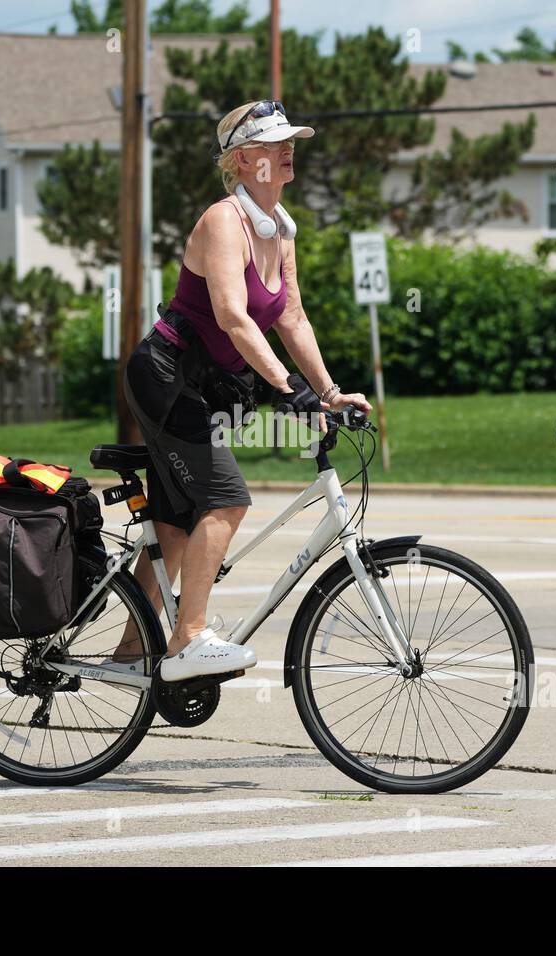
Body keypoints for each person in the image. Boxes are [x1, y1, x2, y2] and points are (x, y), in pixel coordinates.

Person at [116, 100, 372, 682]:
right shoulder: (221, 221)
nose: (289, 150)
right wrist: (286, 387)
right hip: (166, 376)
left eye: (292, 142)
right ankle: (187, 638)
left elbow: (293, 319)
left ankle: (133, 655)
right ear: (240, 159)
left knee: (176, 528)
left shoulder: (279, 230)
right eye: (274, 142)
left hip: (205, 388)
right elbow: (233, 316)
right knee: (226, 497)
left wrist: (329, 393)